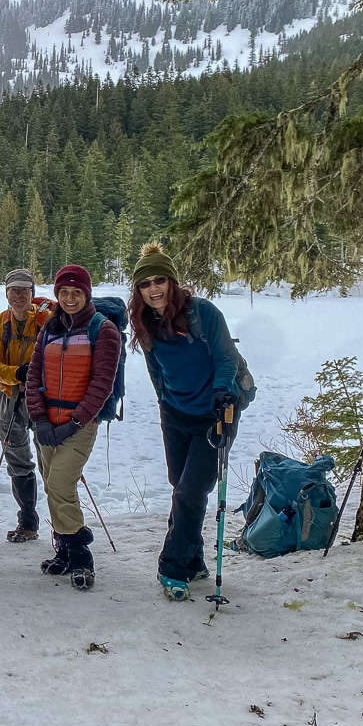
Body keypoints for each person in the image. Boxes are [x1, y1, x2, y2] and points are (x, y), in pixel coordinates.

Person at [128, 243, 242, 602]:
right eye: (145, 284)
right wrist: (165, 403)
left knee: (191, 491)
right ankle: (194, 559)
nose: (154, 289)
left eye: (160, 280)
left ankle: (172, 566)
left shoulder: (202, 313)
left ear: (172, 282)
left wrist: (223, 392)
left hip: (216, 412)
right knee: (181, 487)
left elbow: (226, 356)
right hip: (175, 414)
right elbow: (155, 368)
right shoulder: (145, 322)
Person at [25, 265, 121, 589]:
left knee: (62, 485)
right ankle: (64, 551)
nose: (69, 298)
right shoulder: (48, 329)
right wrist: (39, 420)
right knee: (53, 487)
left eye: (76, 292)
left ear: (86, 294)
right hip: (46, 426)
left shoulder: (103, 330)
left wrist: (74, 423)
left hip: (80, 425)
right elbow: (33, 377)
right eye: (63, 292)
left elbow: (101, 385)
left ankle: (81, 555)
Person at [0, 268, 52, 544]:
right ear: (7, 294)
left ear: (32, 293)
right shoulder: (1, 322)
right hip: (10, 398)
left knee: (50, 458)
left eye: (25, 289)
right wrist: (16, 374)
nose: (19, 294)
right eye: (14, 290)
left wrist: (32, 376)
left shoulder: (46, 321)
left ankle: (61, 522)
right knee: (16, 457)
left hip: (43, 398)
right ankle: (28, 518)